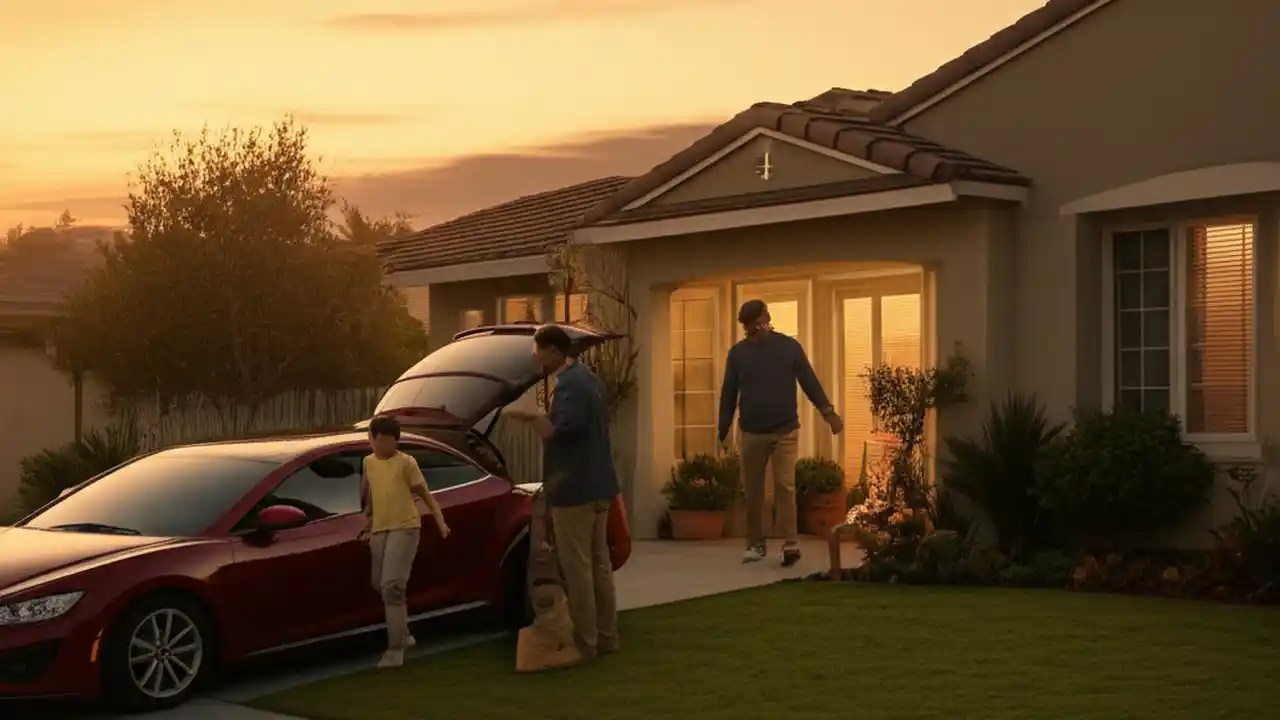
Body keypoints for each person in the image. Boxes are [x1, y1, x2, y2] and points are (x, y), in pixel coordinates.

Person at [507, 324, 619, 663]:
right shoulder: (591, 379)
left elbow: (562, 434)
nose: (534, 356)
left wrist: (530, 417)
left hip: (575, 489)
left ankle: (585, 644)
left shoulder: (570, 384)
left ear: (554, 351)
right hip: (601, 485)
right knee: (600, 565)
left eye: (537, 350)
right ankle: (607, 636)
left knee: (578, 567)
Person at [718, 299, 843, 566]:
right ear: (746, 327)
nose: (757, 329)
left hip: (785, 429)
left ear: (768, 319)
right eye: (751, 326)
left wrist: (828, 413)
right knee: (752, 490)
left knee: (785, 486)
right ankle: (755, 543)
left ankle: (790, 543)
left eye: (761, 322)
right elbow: (728, 394)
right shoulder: (738, 354)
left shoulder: (789, 348)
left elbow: (809, 382)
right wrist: (723, 429)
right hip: (751, 432)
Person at [359, 416, 451, 668]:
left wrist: (440, 521)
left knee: (392, 587)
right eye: (374, 439)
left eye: (384, 441)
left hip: (406, 527)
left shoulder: (406, 463)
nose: (377, 444)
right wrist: (367, 523)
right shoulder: (368, 462)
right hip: (381, 529)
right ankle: (404, 633)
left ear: (392, 441)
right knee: (379, 583)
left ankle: (395, 650)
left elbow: (425, 494)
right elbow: (371, 498)